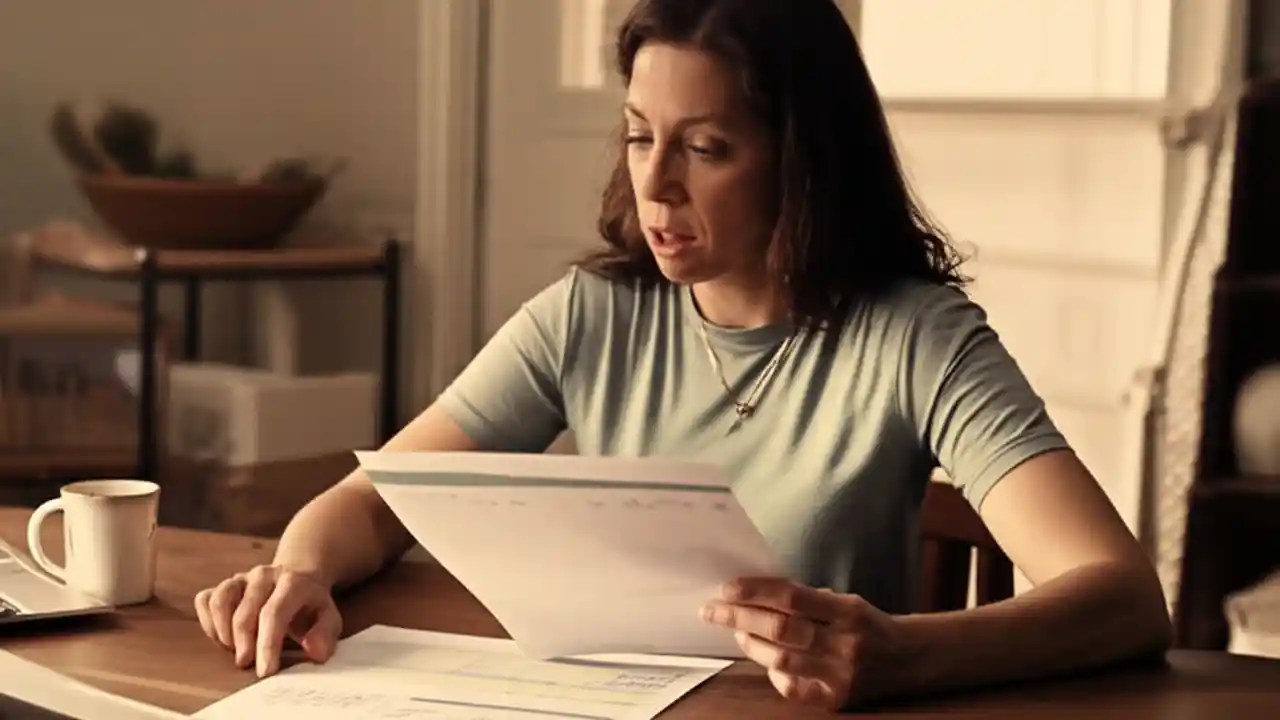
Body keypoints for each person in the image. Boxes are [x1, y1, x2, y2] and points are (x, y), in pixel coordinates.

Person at [194, 0, 1172, 710]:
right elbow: (372, 499)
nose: (654, 185)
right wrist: (300, 571)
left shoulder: (916, 338)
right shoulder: (588, 315)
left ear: (803, 157)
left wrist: (904, 654)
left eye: (704, 148)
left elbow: (1121, 597)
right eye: (636, 137)